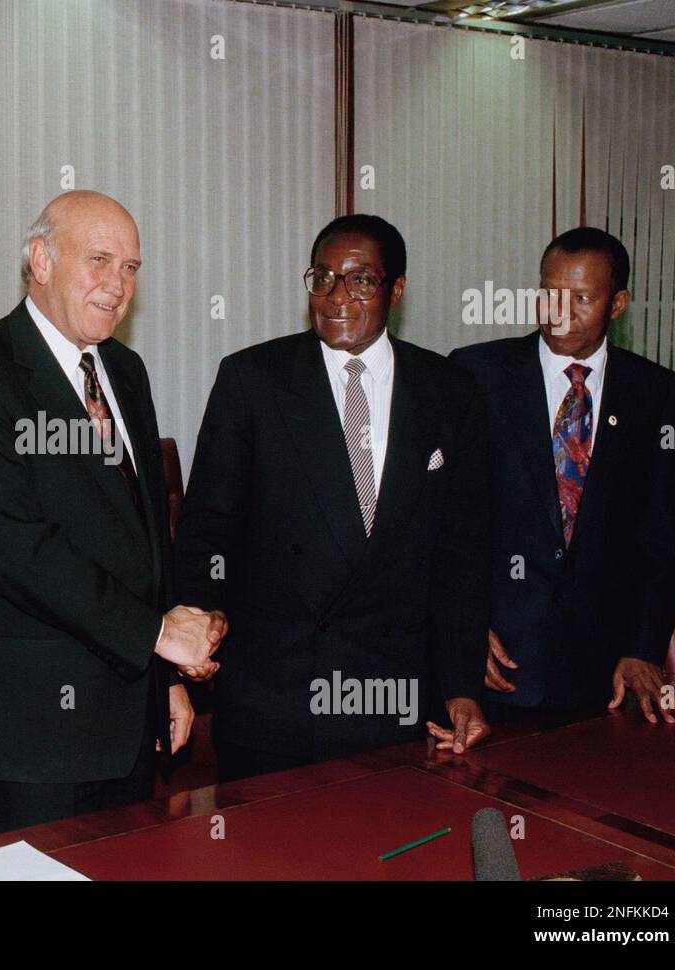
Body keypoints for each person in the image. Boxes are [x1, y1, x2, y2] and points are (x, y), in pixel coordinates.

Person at [0, 190, 224, 834]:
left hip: (126, 715)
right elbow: (16, 549)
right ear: (40, 260)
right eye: (99, 260)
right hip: (34, 729)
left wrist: (165, 676)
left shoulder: (126, 370)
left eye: (130, 267)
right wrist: (155, 633)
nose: (117, 285)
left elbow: (148, 534)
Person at [174, 214, 491, 782]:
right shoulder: (253, 380)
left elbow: (460, 559)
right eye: (323, 278)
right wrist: (201, 622)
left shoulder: (448, 391)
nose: (337, 297)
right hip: (277, 700)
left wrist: (461, 687)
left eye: (360, 280)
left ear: (396, 290)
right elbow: (206, 532)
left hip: (395, 698)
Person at [449, 227, 675, 723]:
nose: (560, 310)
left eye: (581, 297)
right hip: (493, 669)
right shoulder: (477, 374)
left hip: (604, 675)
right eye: (550, 293)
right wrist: (461, 628)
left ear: (618, 304)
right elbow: (444, 522)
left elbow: (662, 539)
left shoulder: (654, 392)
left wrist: (642, 647)